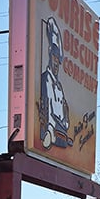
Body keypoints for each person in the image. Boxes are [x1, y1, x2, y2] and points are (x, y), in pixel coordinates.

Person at [39, 17, 71, 149]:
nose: (56, 62)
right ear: (49, 54)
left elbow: (64, 110)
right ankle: (49, 133)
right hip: (50, 125)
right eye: (54, 57)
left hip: (60, 128)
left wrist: (66, 122)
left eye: (58, 59)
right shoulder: (46, 78)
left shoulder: (59, 87)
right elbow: (47, 103)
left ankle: (54, 134)